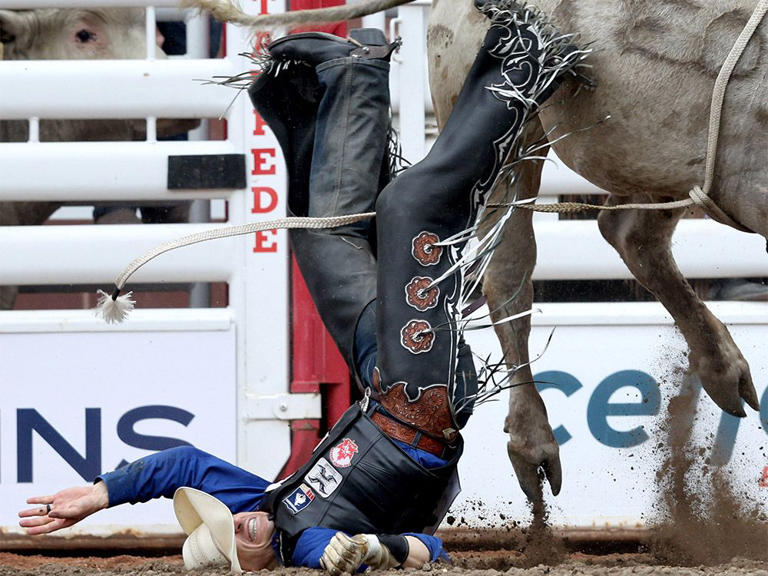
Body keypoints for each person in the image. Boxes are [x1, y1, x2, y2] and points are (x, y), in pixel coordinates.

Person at [19, 1, 588, 573]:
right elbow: (428, 550)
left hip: (386, 383)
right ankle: (525, 59)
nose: (238, 523)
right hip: (419, 400)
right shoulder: (308, 547)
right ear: (258, 564)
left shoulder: (263, 508)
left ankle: (354, 77)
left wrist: (99, 494)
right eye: (234, 538)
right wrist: (371, 549)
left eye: (225, 522)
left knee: (323, 241)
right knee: (410, 208)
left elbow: (184, 467)